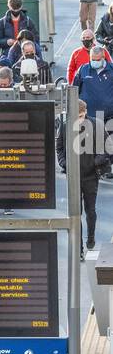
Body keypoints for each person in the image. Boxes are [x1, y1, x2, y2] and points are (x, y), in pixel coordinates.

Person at [57, 97, 106, 256]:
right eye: (76, 117)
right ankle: (78, 248)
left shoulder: (96, 125)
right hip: (73, 176)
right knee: (75, 213)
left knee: (90, 210)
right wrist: (64, 163)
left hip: (91, 175)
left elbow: (106, 148)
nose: (79, 120)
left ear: (85, 112)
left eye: (82, 116)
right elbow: (59, 148)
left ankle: (90, 238)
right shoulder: (65, 126)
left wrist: (95, 162)